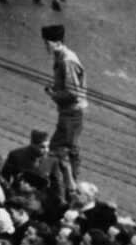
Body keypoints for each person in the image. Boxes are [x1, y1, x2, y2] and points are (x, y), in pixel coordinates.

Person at [42, 24, 87, 178]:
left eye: (47, 44)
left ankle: (64, 182)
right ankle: (74, 178)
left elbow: (73, 92)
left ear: (58, 42)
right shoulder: (61, 56)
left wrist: (53, 94)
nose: (46, 47)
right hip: (71, 112)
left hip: (71, 112)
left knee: (56, 148)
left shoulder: (67, 61)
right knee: (72, 147)